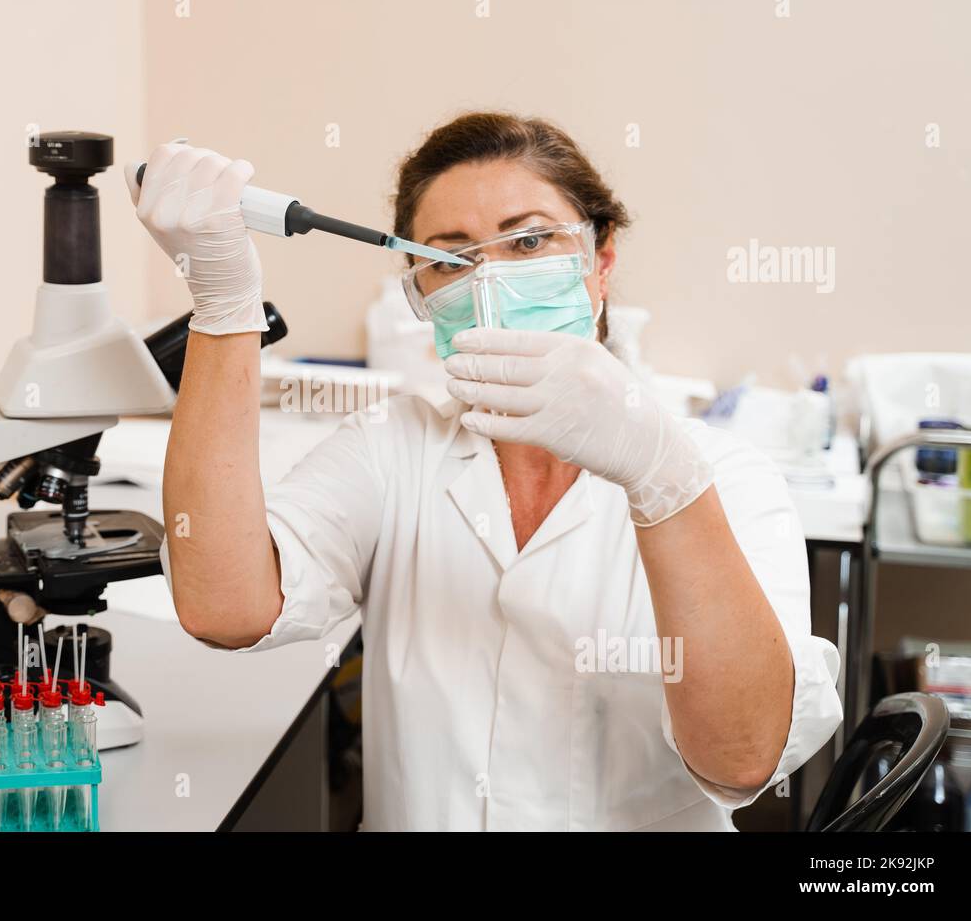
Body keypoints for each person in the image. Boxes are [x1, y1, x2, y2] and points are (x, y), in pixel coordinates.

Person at [124, 111, 842, 831]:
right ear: (419, 292)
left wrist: (660, 478)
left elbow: (741, 757)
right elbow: (225, 608)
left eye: (529, 240)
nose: (492, 280)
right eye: (451, 257)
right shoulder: (392, 447)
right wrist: (222, 304)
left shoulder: (720, 474)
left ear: (602, 259)